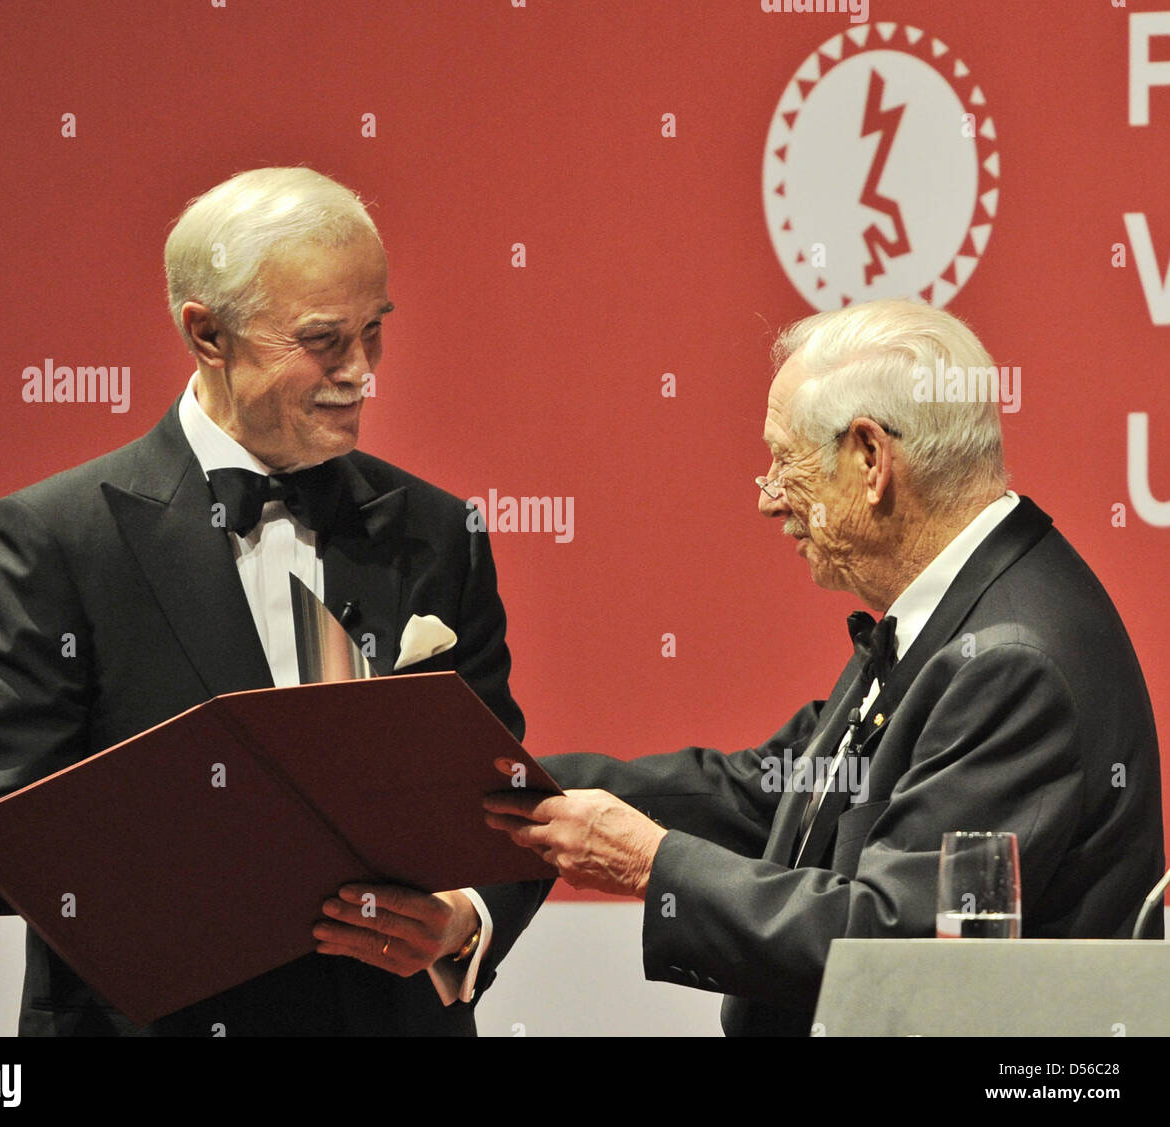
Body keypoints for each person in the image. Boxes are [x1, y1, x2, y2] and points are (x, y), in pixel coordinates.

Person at [0, 166, 543, 1036]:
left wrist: (463, 917)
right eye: (325, 341)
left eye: (375, 332)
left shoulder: (438, 532)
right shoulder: (57, 538)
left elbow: (504, 799)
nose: (363, 373)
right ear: (206, 333)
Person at [485, 299, 1165, 1036]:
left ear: (871, 459)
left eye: (785, 459)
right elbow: (776, 789)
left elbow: (896, 943)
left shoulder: (1009, 661)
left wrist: (655, 864)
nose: (766, 496)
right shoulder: (962, 600)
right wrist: (532, 782)